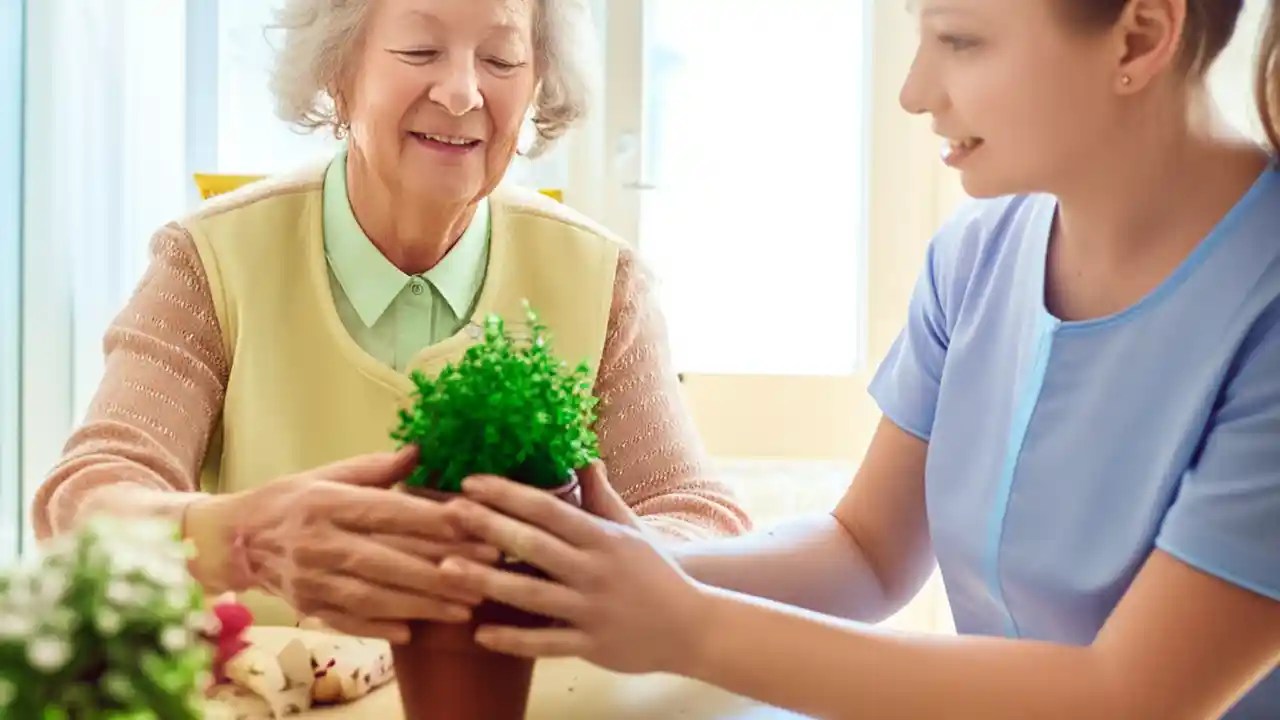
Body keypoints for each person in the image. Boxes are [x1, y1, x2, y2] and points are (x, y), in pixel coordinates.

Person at [436, 0, 1280, 717]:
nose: (915, 93)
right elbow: (865, 554)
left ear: (1138, 38)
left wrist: (687, 623)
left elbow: (1130, 698)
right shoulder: (979, 258)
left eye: (960, 41)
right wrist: (639, 565)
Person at [30, 0, 750, 643]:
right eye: (419, 50)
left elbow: (702, 519)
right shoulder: (208, 261)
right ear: (339, 74)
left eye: (501, 59)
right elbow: (86, 501)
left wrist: (607, 566)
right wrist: (244, 537)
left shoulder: (603, 280)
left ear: (537, 84)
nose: (464, 92)